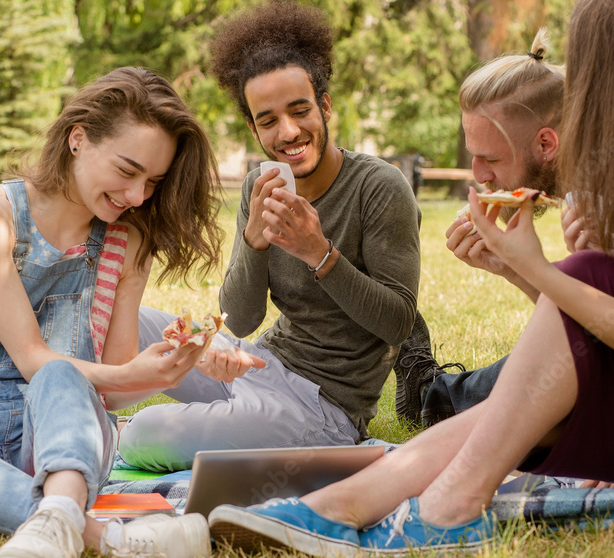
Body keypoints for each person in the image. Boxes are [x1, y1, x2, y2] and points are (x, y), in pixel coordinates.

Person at [207, 0, 614, 557]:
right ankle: (339, 505)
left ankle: (449, 510)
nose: (578, 88)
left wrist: (543, 266)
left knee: (581, 286)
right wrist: (528, 272)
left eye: (588, 68)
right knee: (525, 391)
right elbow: (592, 339)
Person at [0, 67, 253, 558]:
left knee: (61, 376)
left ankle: (57, 510)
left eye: (152, 182)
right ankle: (95, 533)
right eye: (127, 171)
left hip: (68, 443)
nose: (137, 196)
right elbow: (30, 357)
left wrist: (164, 370)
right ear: (78, 139)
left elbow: (110, 392)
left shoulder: (125, 244)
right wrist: (135, 374)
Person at [117, 2, 421, 472]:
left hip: (322, 408)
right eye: (268, 120)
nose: (289, 132)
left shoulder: (378, 188)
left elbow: (398, 324)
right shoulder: (261, 185)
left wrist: (318, 253)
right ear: (253, 126)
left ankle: (213, 425)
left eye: (300, 111)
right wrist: (254, 242)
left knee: (143, 433)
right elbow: (238, 319)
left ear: (324, 104)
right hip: (257, 362)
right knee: (128, 321)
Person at [394, 29, 568, 427]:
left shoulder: (604, 200)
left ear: (546, 144)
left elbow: (597, 335)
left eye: (490, 158)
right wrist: (507, 264)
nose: (478, 175)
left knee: (547, 363)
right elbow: (582, 319)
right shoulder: (577, 191)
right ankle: (436, 394)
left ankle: (436, 397)